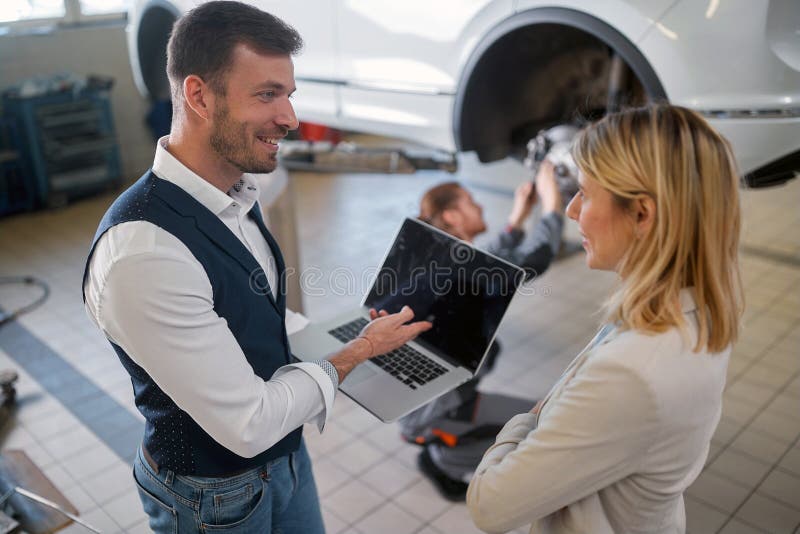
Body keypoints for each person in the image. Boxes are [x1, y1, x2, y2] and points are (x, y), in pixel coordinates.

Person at [81, 2, 431, 533]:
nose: (290, 118)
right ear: (199, 96)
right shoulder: (144, 252)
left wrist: (347, 332)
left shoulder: (236, 191)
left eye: (289, 94)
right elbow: (248, 424)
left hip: (285, 456)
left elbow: (248, 312)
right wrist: (357, 352)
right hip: (210, 494)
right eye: (267, 95)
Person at [466, 104, 744, 534]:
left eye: (585, 193)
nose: (572, 209)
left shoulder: (633, 371)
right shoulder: (693, 310)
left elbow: (489, 505)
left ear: (642, 214)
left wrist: (533, 417)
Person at [391, 164, 566, 501]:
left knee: (540, 416)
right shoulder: (463, 272)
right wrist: (553, 202)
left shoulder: (441, 259)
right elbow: (536, 258)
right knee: (546, 424)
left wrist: (518, 217)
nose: (480, 206)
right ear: (452, 215)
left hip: (431, 398)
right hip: (435, 410)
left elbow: (493, 258)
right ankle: (446, 460)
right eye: (471, 202)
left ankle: (445, 444)